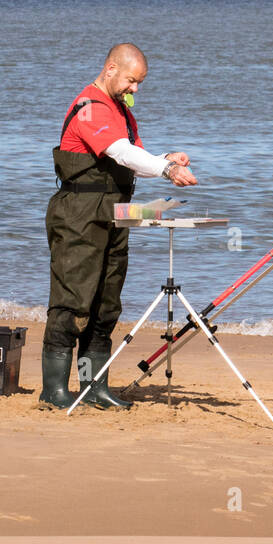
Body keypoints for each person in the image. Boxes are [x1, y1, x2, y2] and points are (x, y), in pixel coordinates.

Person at [40, 43, 197, 410]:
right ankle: (54, 391)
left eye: (140, 83)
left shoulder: (121, 111)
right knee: (73, 301)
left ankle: (93, 387)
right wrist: (168, 170)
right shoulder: (90, 107)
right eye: (131, 80)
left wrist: (163, 159)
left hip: (116, 212)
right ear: (111, 68)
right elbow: (120, 152)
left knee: (106, 304)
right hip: (78, 214)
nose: (135, 89)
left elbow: (131, 157)